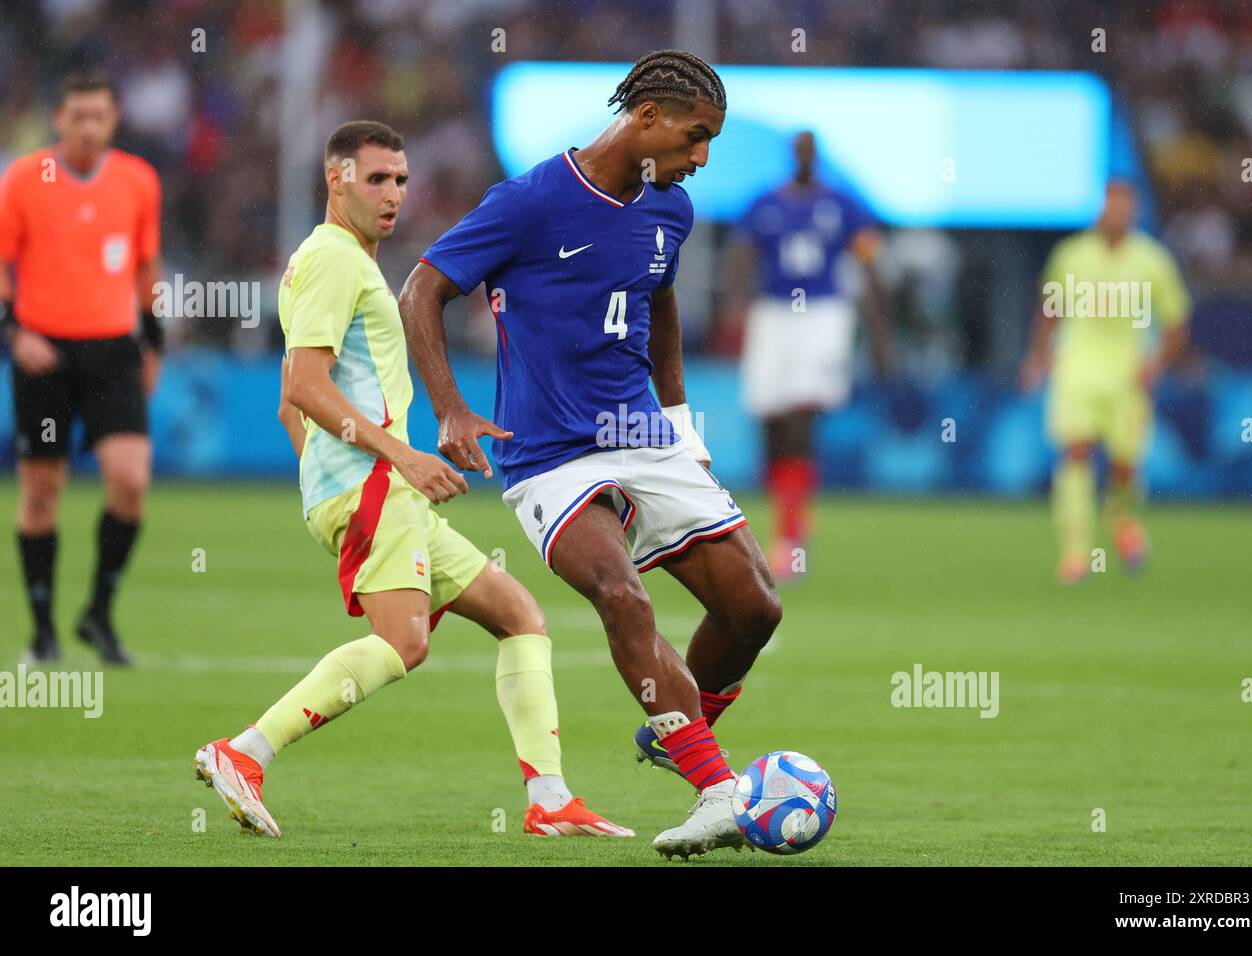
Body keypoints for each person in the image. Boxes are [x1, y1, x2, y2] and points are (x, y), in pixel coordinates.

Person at [192, 121, 632, 840]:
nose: (393, 194)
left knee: (519, 617)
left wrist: (329, 477)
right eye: (376, 180)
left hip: (374, 486)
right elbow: (307, 385)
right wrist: (389, 463)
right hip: (376, 486)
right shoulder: (334, 260)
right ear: (336, 180)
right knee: (404, 644)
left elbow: (286, 401)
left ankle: (549, 797)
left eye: (400, 179)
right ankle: (244, 752)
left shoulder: (336, 262)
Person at [400, 51, 784, 859]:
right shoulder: (532, 201)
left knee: (755, 607)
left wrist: (678, 426)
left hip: (643, 435)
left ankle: (678, 726)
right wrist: (451, 409)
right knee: (623, 595)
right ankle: (716, 788)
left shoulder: (669, 212)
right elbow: (422, 290)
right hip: (549, 452)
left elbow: (662, 299)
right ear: (646, 116)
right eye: (694, 137)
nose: (701, 158)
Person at [0, 70, 165, 666]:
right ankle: (43, 632)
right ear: (59, 119)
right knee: (42, 491)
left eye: (99, 115)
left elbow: (147, 268)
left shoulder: (137, 180)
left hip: (113, 352)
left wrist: (155, 342)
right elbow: (2, 264)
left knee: (131, 480)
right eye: (78, 115)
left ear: (114, 119)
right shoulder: (24, 179)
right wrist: (13, 333)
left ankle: (98, 612)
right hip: (44, 354)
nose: (89, 126)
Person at [723, 130, 889, 579]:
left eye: (811, 151)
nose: (805, 158)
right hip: (773, 313)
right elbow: (741, 254)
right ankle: (792, 510)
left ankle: (790, 534)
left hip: (823, 314)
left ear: (819, 157)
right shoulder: (766, 204)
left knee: (800, 416)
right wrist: (736, 308)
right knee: (770, 418)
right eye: (799, 151)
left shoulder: (842, 205)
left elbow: (868, 263)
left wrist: (880, 333)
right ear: (791, 156)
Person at [1019, 180, 1191, 583]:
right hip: (1077, 369)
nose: (1116, 215)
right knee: (1076, 453)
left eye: (1124, 208)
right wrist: (1037, 358)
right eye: (1110, 207)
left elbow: (1176, 320)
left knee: (1124, 466)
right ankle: (1076, 553)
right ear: (1100, 211)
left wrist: (1158, 363)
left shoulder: (1152, 260)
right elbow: (1049, 308)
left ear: (1134, 213)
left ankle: (1121, 519)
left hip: (1128, 375)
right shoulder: (1071, 255)